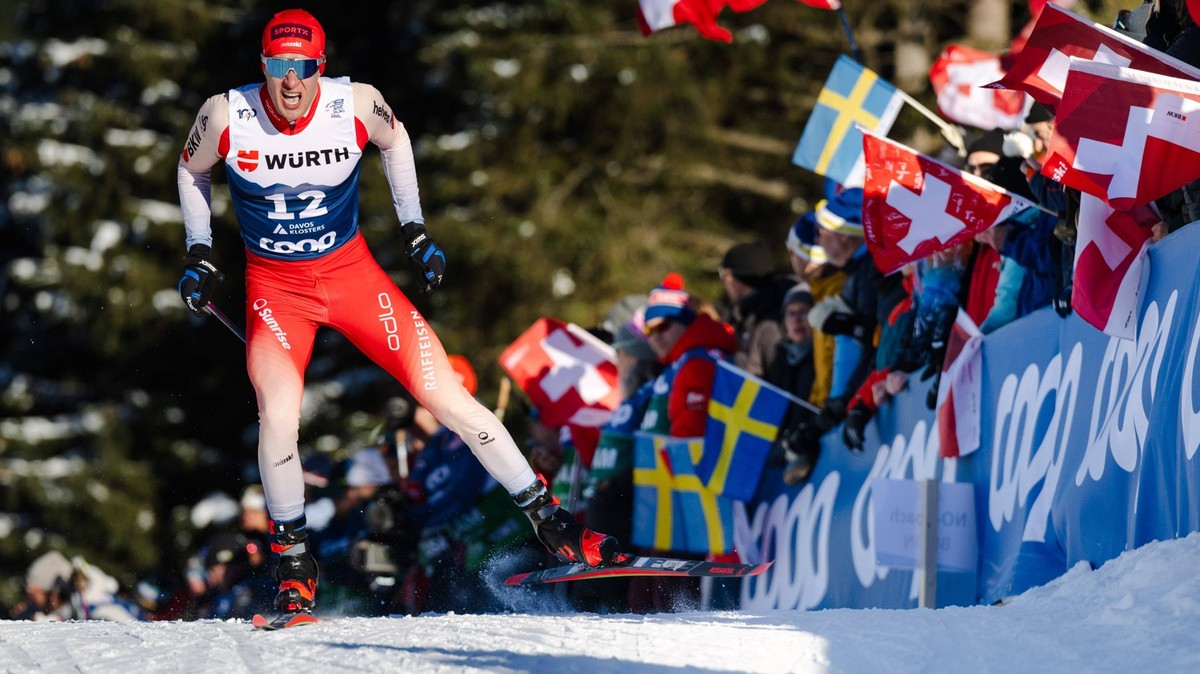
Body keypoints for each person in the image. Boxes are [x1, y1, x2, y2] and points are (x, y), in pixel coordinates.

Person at [174, 8, 616, 618]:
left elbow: (397, 140)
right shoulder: (226, 114)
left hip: (351, 276)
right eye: (279, 67)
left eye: (303, 67)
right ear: (264, 68)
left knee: (451, 400)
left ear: (319, 68)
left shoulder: (354, 104)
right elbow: (190, 169)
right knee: (278, 419)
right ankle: (294, 569)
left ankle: (553, 522)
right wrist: (200, 253)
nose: (291, 82)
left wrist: (414, 232)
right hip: (278, 292)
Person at [718, 240, 793, 378]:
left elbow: (778, 384)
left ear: (733, 276)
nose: (723, 282)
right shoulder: (743, 317)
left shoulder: (770, 324)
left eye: (723, 273)